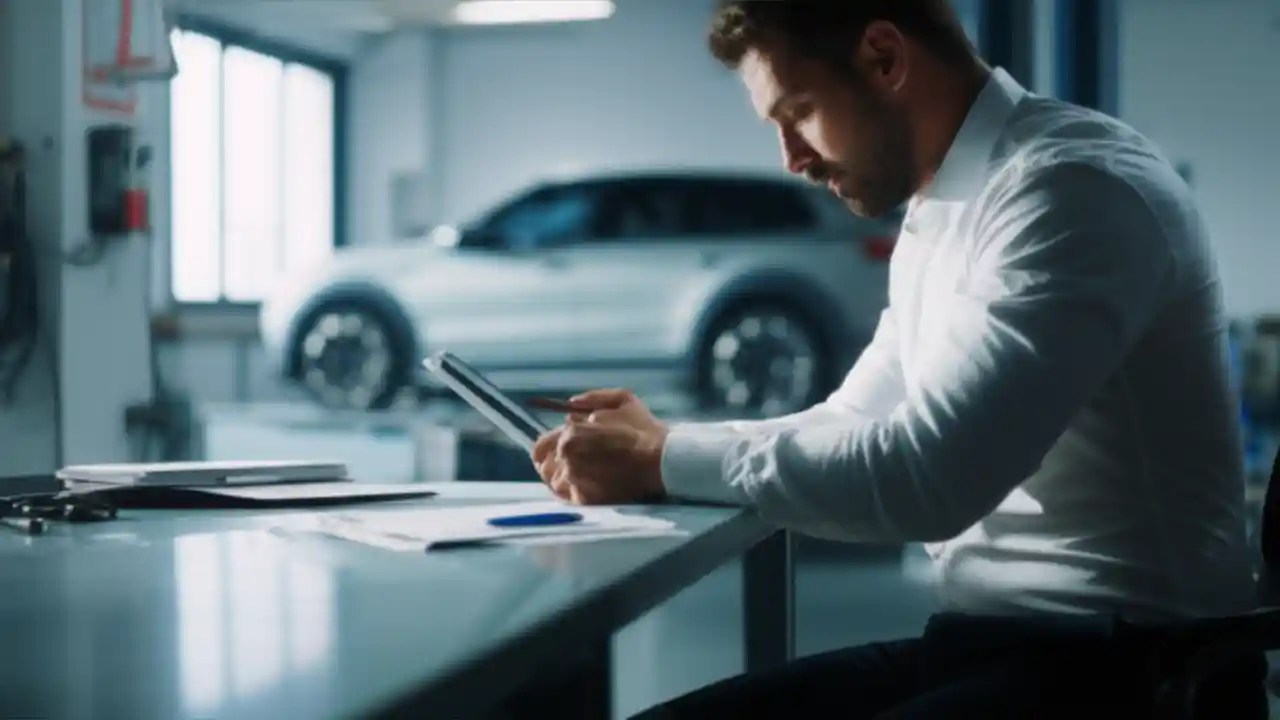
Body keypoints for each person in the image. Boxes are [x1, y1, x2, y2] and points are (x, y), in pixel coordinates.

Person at [531, 1, 1267, 716]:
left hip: (1136, 675)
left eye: (799, 113)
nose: (791, 160)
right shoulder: (945, 203)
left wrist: (666, 460)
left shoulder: (1072, 190)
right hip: (997, 648)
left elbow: (931, 476)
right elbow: (851, 418)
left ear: (883, 58)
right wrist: (659, 446)